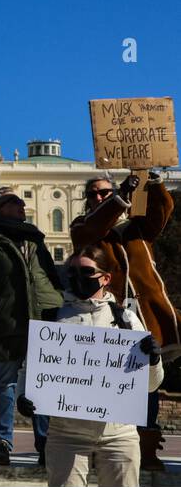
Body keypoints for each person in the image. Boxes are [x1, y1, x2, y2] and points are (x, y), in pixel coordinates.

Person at [30, 244, 165, 487]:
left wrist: (153, 360)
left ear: (105, 278)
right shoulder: (53, 320)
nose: (77, 278)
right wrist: (24, 397)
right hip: (66, 434)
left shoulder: (126, 320)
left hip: (119, 434)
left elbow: (151, 385)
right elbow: (28, 370)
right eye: (71, 272)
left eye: (85, 272)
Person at [71, 172, 177, 470]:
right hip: (107, 319)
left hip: (143, 317)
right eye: (95, 194)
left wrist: (152, 183)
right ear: (87, 200)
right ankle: (102, 448)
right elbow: (94, 228)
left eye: (105, 192)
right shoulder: (83, 228)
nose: (100, 197)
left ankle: (146, 450)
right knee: (108, 386)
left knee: (147, 384)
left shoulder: (136, 229)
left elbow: (162, 212)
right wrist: (118, 198)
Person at [0, 187, 62, 467]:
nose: (20, 204)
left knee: (42, 385)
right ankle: (3, 443)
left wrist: (56, 300)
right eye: (12, 201)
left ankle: (45, 444)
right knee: (5, 383)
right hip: (8, 323)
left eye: (21, 200)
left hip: (43, 320)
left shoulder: (34, 237)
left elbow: (48, 275)